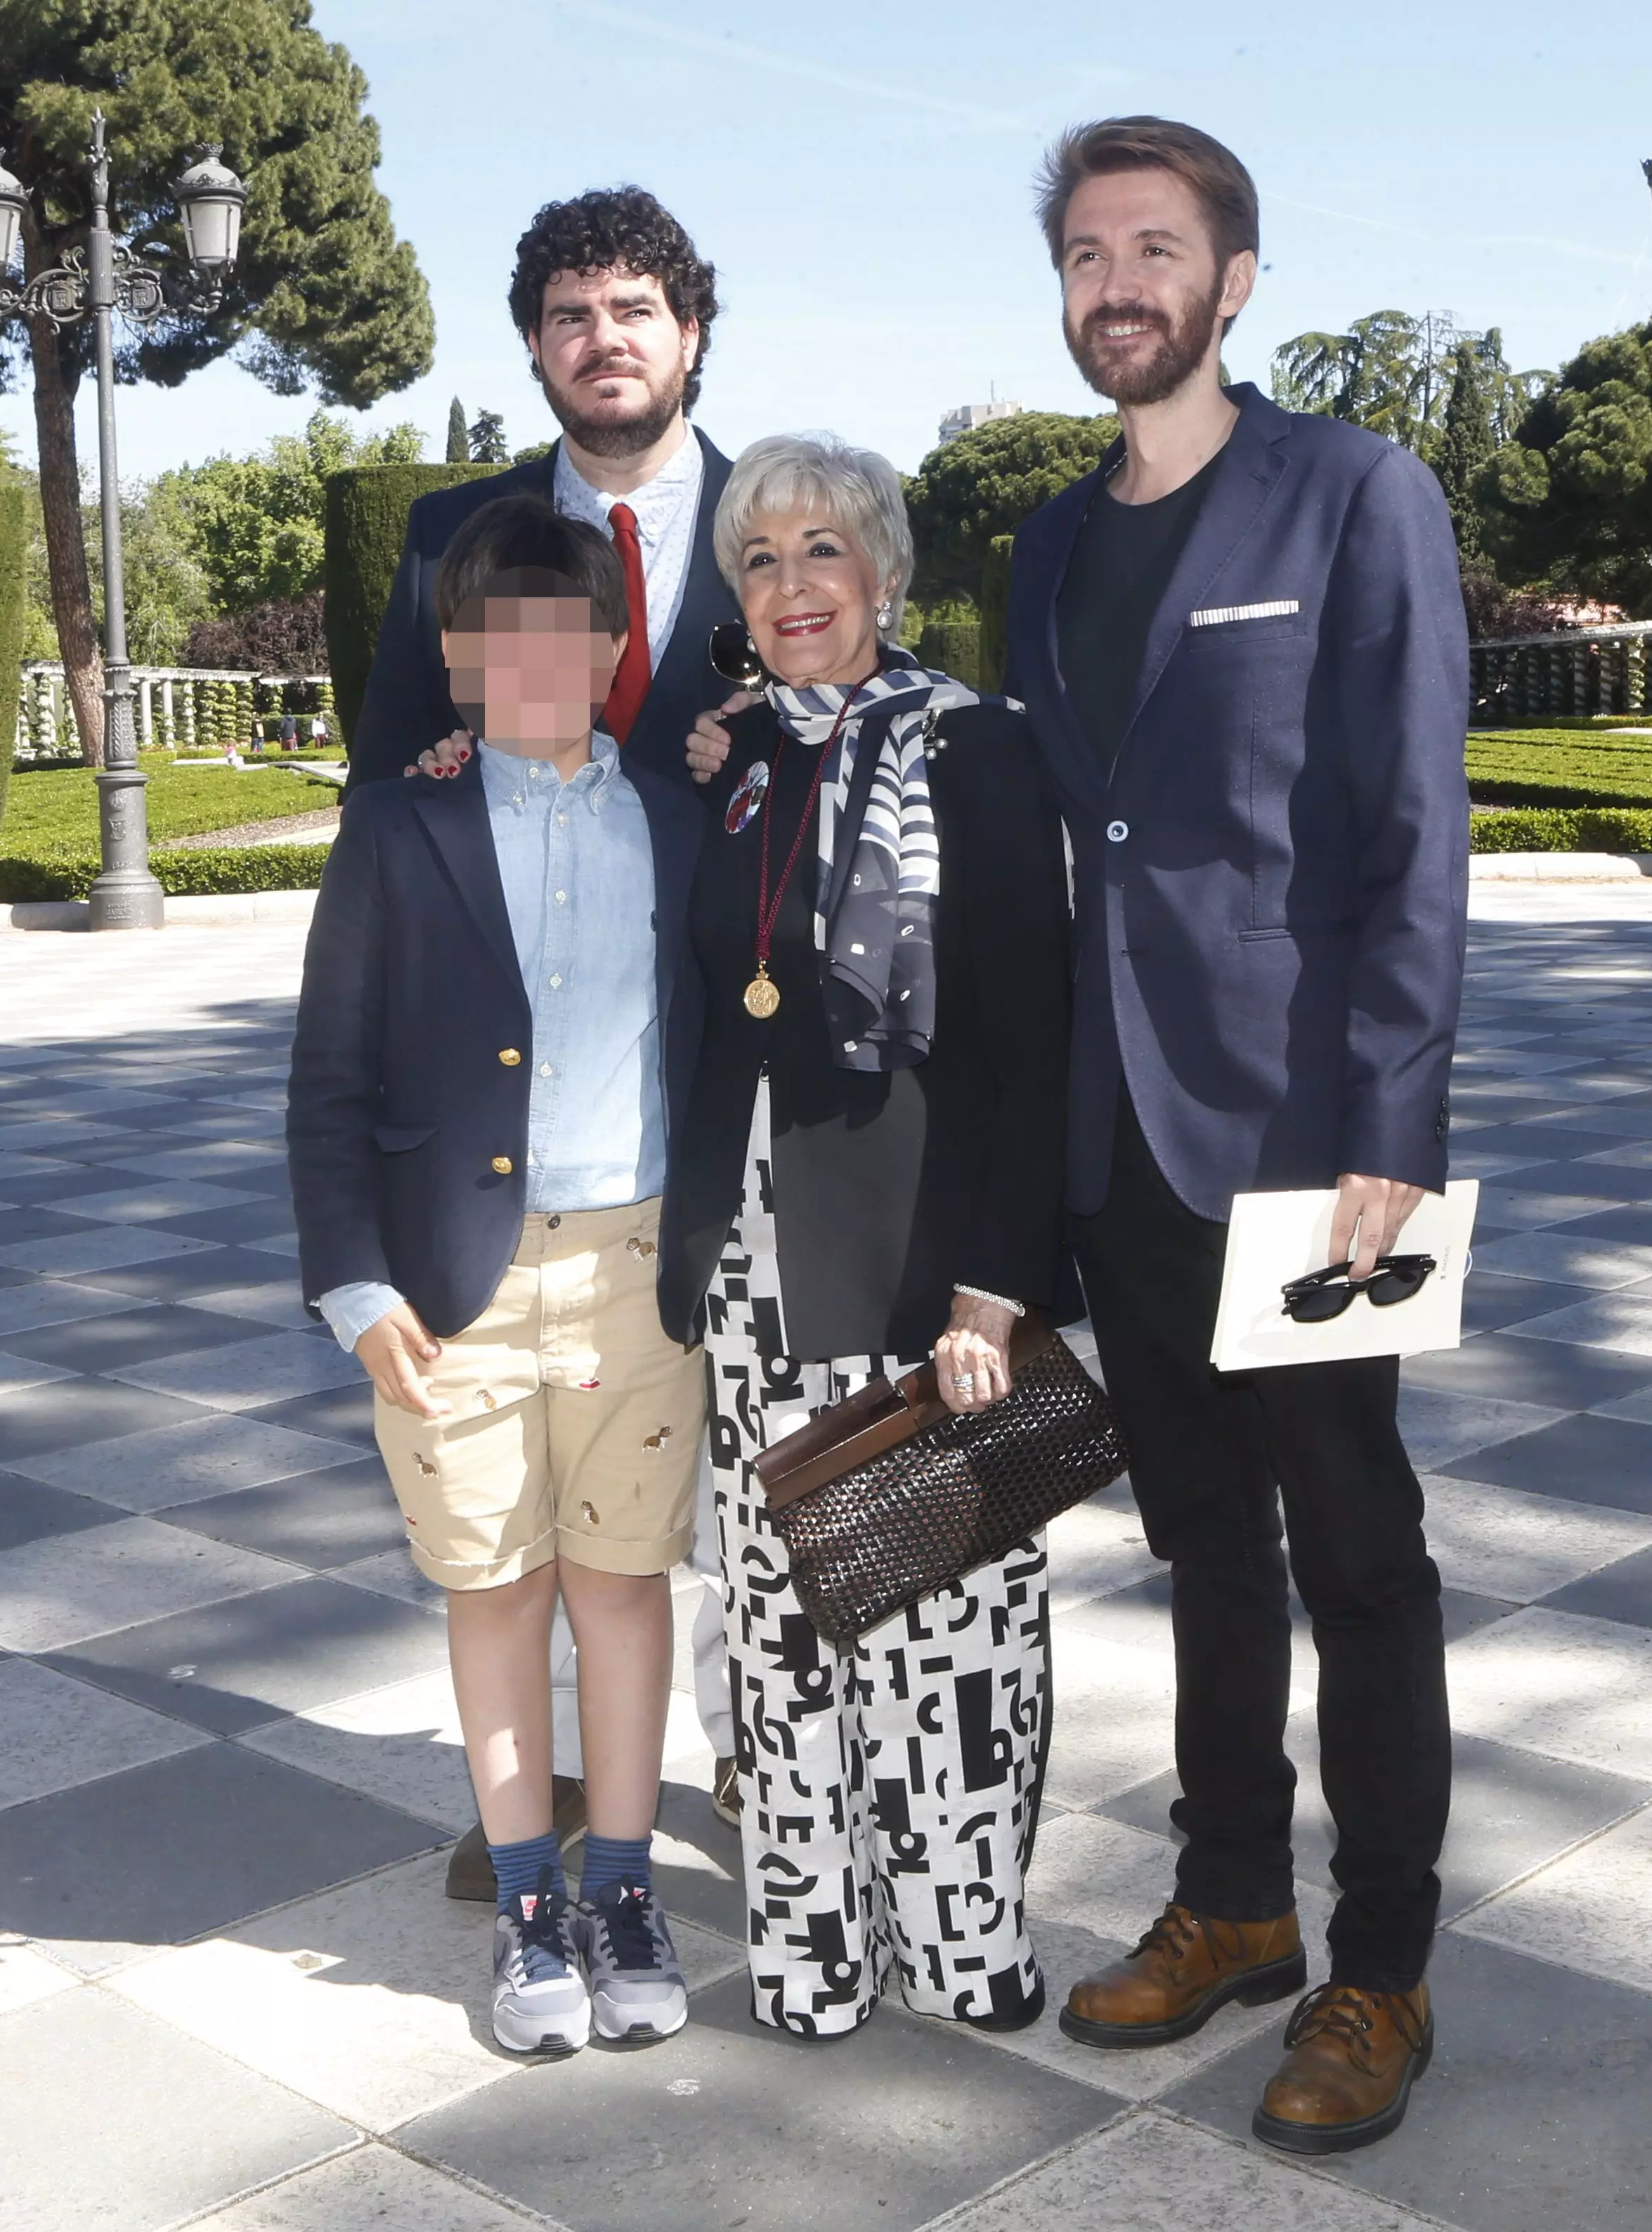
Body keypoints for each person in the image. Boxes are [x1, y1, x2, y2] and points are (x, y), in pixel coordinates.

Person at [1012, 119, 1471, 2155]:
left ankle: (1382, 1968)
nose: (1122, 283)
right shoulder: (1044, 542)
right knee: (1201, 1542)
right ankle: (1234, 1900)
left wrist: (1390, 1117)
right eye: (1091, 252)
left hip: (1306, 1139)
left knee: (1357, 1550)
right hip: (1116, 1141)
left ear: (1234, 278)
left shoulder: (1355, 494)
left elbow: (1410, 833)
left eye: (1157, 249)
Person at [663, 433, 1074, 2040]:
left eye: (820, 551)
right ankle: (811, 1945)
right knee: (776, 1620)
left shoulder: (974, 753)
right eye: (757, 561)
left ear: (885, 575)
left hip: (919, 1259)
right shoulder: (734, 758)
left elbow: (1026, 1040)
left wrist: (993, 1282)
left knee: (941, 1618)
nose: (788, 587)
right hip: (750, 1262)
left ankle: (963, 1936)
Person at [289, 497, 710, 2056]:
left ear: (609, 649)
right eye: (496, 637)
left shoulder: (673, 817)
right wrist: (352, 1280)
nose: (532, 662)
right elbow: (328, 1073)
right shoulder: (399, 827)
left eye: (565, 633)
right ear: (460, 659)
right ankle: (526, 1896)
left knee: (620, 1583)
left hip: (636, 1273)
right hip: (447, 1287)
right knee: (494, 1585)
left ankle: (622, 1880)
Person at [353, 188, 739, 792]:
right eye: (570, 318)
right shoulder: (443, 536)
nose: (605, 340)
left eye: (634, 311)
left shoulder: (783, 529)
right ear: (535, 345)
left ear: (689, 335)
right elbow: (380, 790)